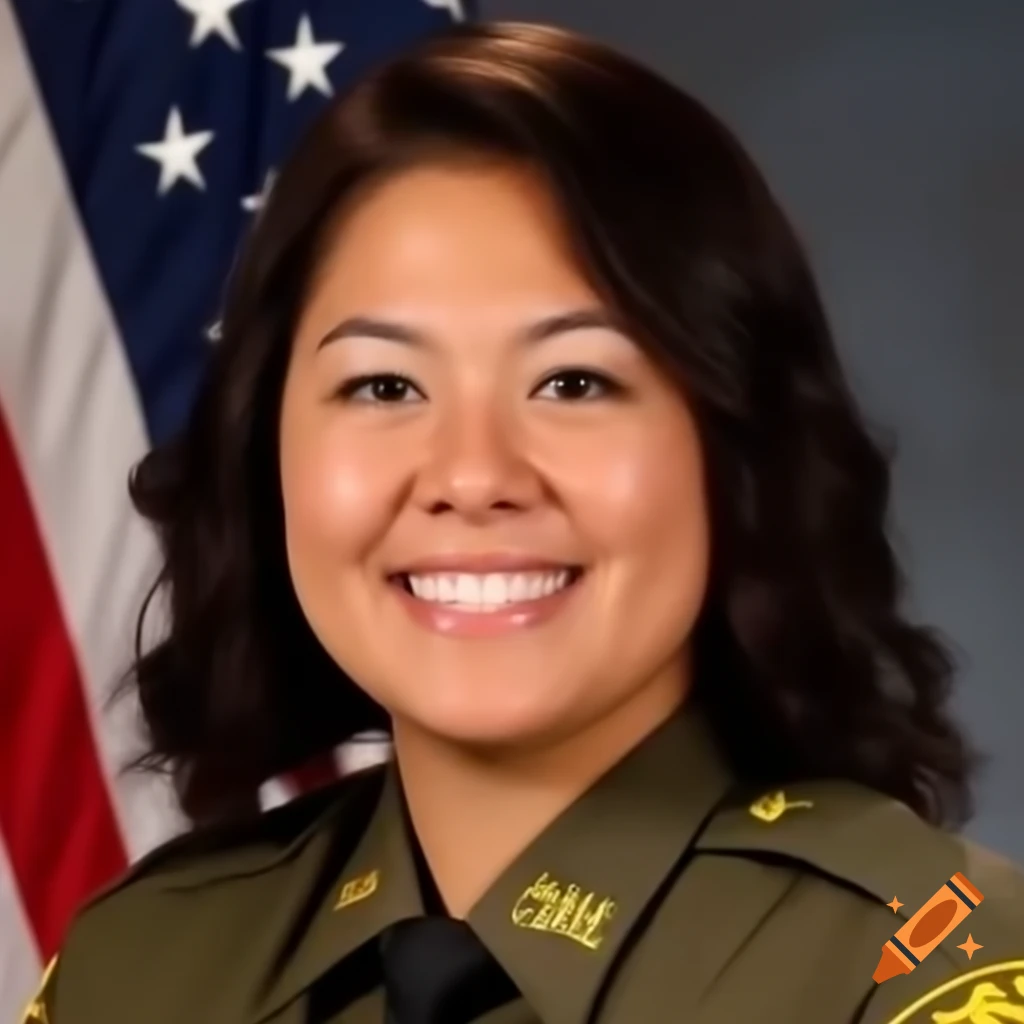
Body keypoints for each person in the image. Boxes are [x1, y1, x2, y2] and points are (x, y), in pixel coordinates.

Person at [24, 20, 1024, 1024]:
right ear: (266, 453)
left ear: (734, 450)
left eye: (573, 380)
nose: (471, 474)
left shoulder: (925, 974)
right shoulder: (135, 972)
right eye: (381, 384)